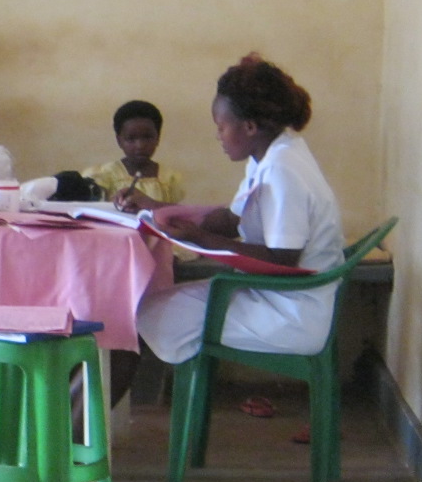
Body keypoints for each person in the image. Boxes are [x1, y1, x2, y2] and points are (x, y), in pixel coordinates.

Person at [134, 55, 343, 401]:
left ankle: (188, 402)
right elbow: (233, 218)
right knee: (155, 306)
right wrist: (159, 210)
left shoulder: (282, 170)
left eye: (221, 126)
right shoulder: (271, 154)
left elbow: (283, 258)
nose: (217, 136)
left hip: (292, 312)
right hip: (276, 296)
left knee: (150, 311)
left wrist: (202, 238)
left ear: (249, 127)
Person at [82, 100, 186, 212]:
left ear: (158, 138)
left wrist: (150, 203)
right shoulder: (104, 175)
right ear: (119, 141)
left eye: (147, 137)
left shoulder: (169, 179)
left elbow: (177, 213)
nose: (140, 146)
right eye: (131, 139)